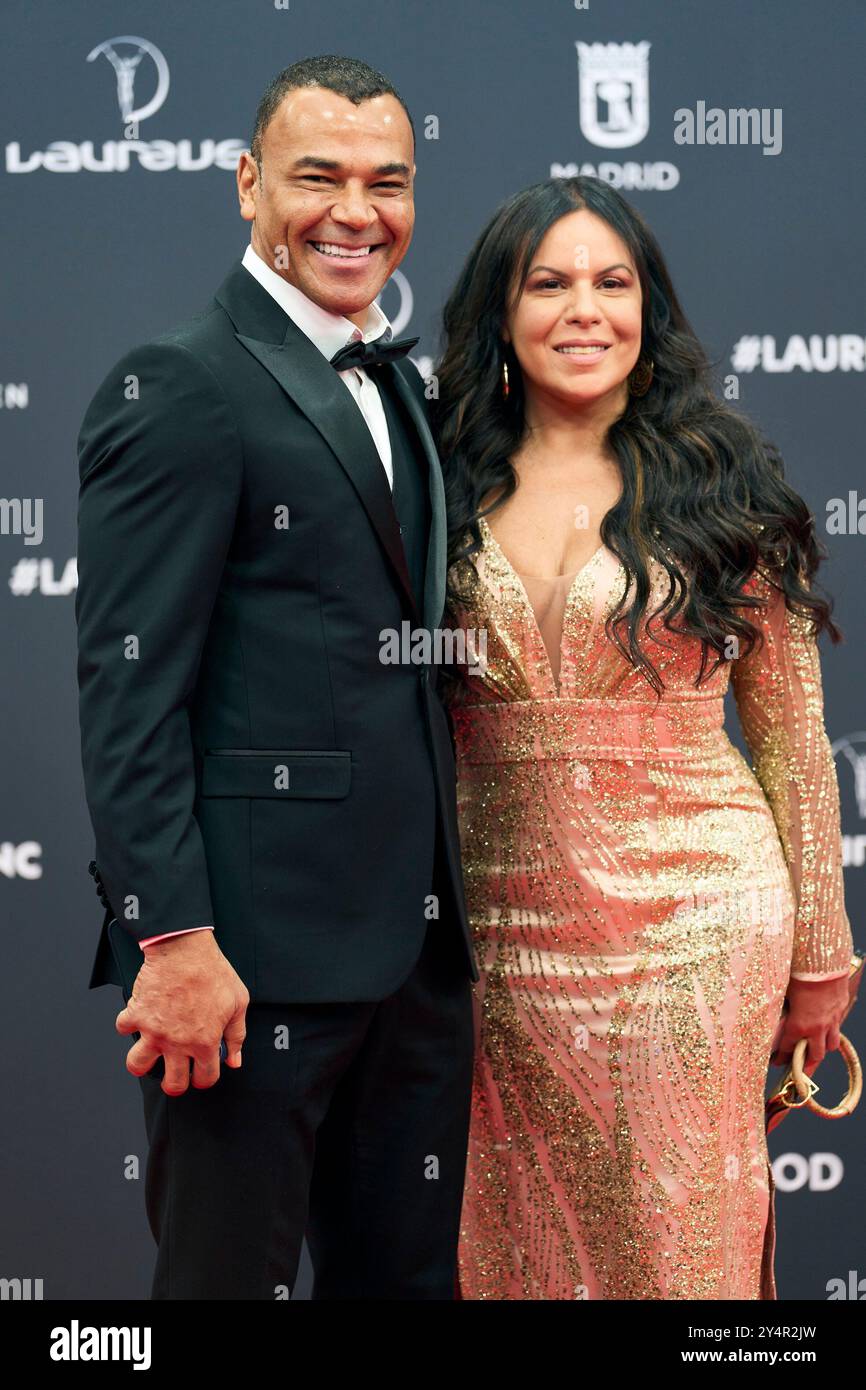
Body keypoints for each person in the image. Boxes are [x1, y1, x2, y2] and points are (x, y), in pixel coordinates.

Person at [75, 54, 477, 1301]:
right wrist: (175, 940)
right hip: (245, 971)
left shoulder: (401, 383)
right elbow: (129, 686)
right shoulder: (183, 383)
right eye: (318, 177)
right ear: (247, 183)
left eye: (386, 182)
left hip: (412, 967)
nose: (355, 212)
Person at [431, 175, 854, 1300]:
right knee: (506, 1222)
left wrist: (821, 947)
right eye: (548, 283)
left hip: (697, 915)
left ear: (647, 308)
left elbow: (791, 740)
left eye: (611, 283)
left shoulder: (724, 480)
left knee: (678, 1217)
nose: (583, 310)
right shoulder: (434, 474)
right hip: (496, 918)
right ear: (499, 313)